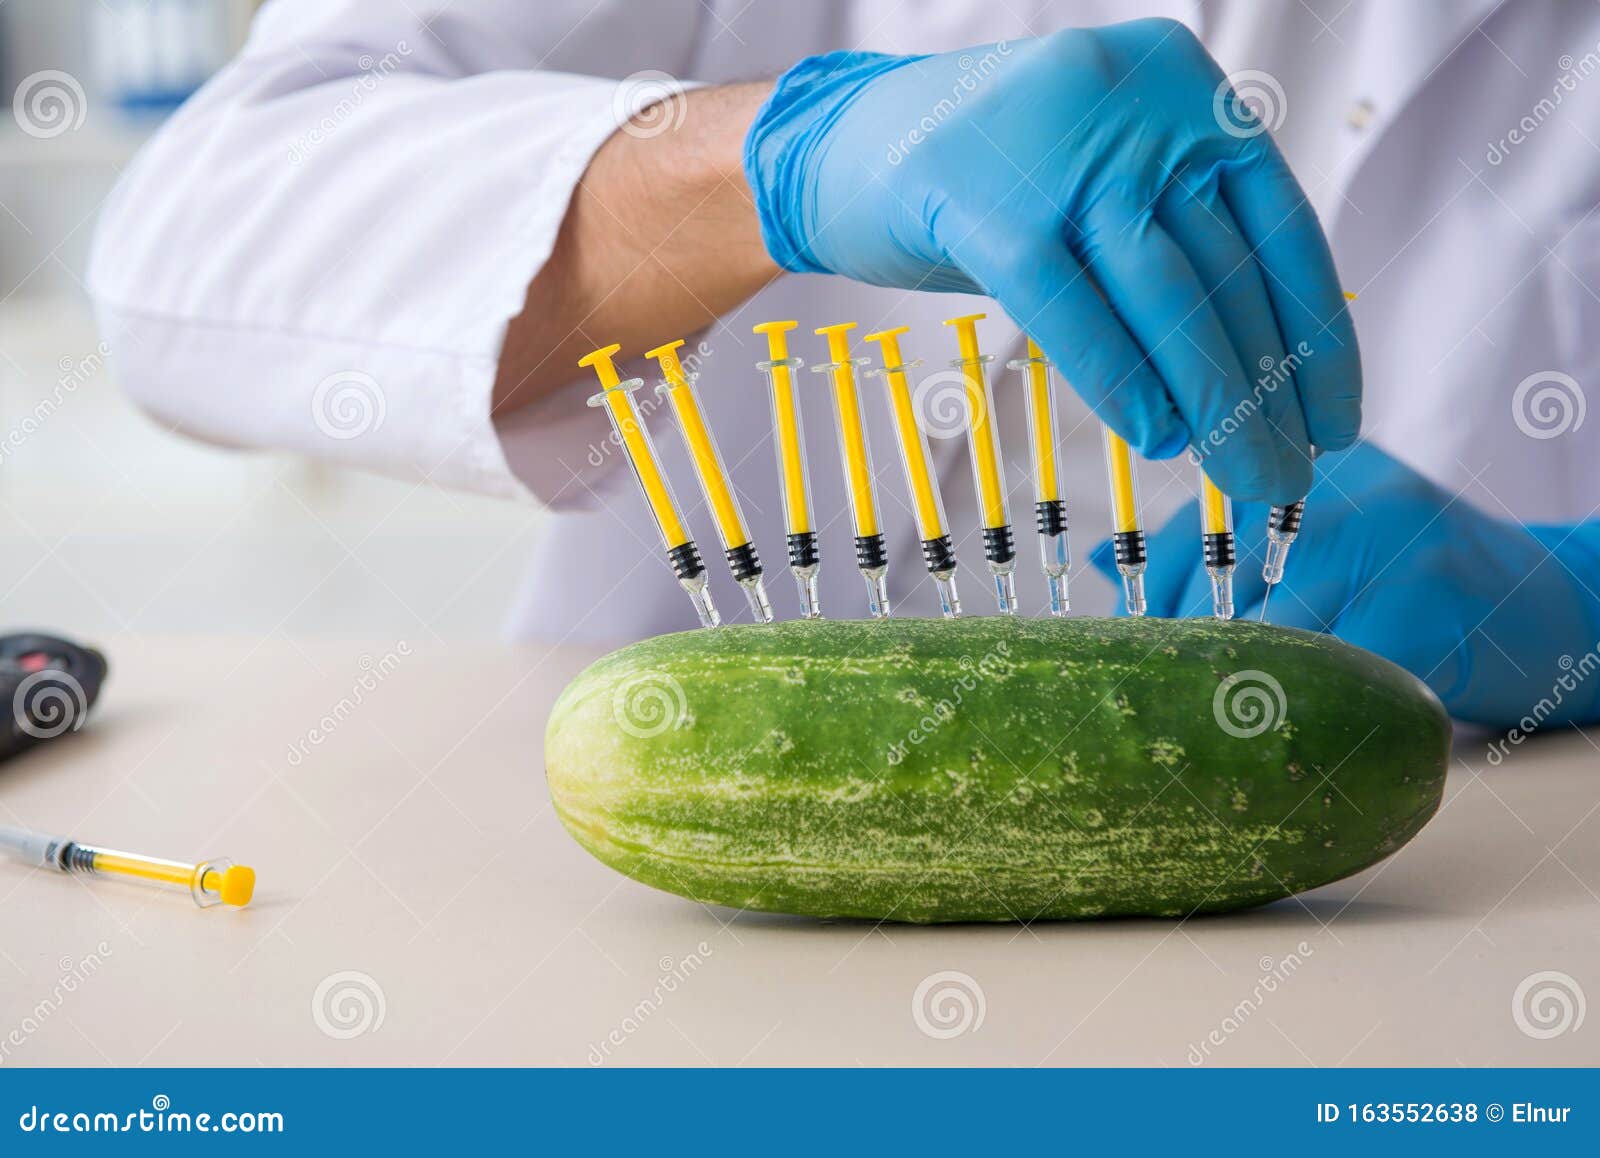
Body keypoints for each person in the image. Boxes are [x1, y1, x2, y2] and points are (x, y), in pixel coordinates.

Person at [88, 0, 1600, 730]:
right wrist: (775, 157)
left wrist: (1584, 607)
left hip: (1440, 904)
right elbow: (195, 239)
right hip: (717, 903)